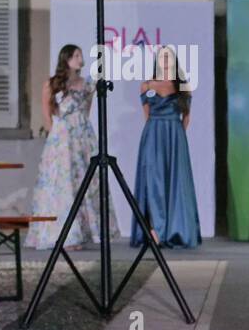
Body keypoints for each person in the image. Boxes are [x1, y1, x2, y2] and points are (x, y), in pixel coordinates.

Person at [27, 44, 113, 250]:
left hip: (82, 137)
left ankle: (84, 231)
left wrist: (80, 130)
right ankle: (64, 234)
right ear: (66, 58)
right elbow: (47, 114)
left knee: (83, 182)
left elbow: (87, 110)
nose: (79, 58)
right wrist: (55, 139)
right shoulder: (52, 84)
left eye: (80, 55)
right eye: (75, 55)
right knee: (62, 185)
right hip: (61, 140)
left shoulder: (87, 84)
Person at [131, 45, 201, 248]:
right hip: (153, 134)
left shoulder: (183, 85)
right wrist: (155, 134)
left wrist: (177, 135)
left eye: (169, 57)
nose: (165, 60)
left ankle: (173, 231)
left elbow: (186, 116)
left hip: (175, 135)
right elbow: (147, 115)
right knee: (153, 182)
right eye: (162, 57)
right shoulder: (146, 85)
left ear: (174, 61)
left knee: (175, 182)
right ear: (157, 61)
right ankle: (154, 229)